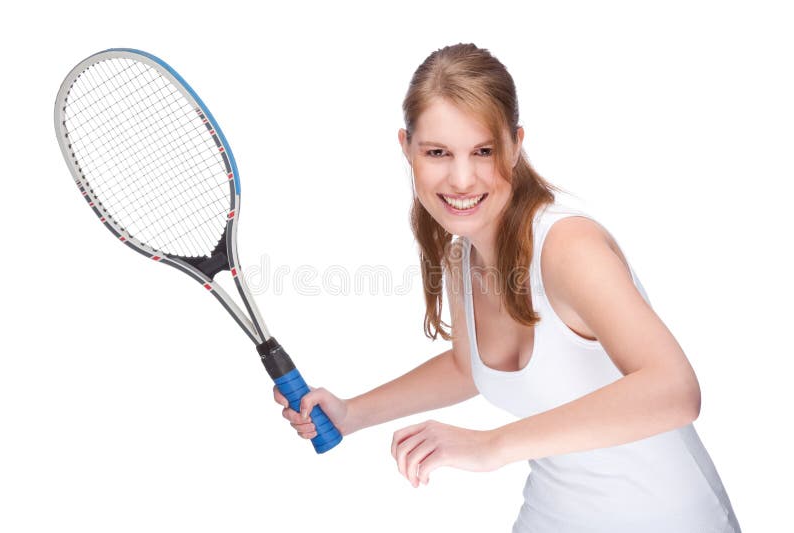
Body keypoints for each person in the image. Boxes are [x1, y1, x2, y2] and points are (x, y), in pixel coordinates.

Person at [273, 43, 742, 532]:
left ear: (515, 145)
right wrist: (352, 413)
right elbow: (468, 365)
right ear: (406, 147)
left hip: (668, 518)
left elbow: (675, 390)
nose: (460, 178)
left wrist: (491, 445)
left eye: (483, 151)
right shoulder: (464, 256)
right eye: (437, 152)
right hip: (555, 515)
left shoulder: (568, 248)